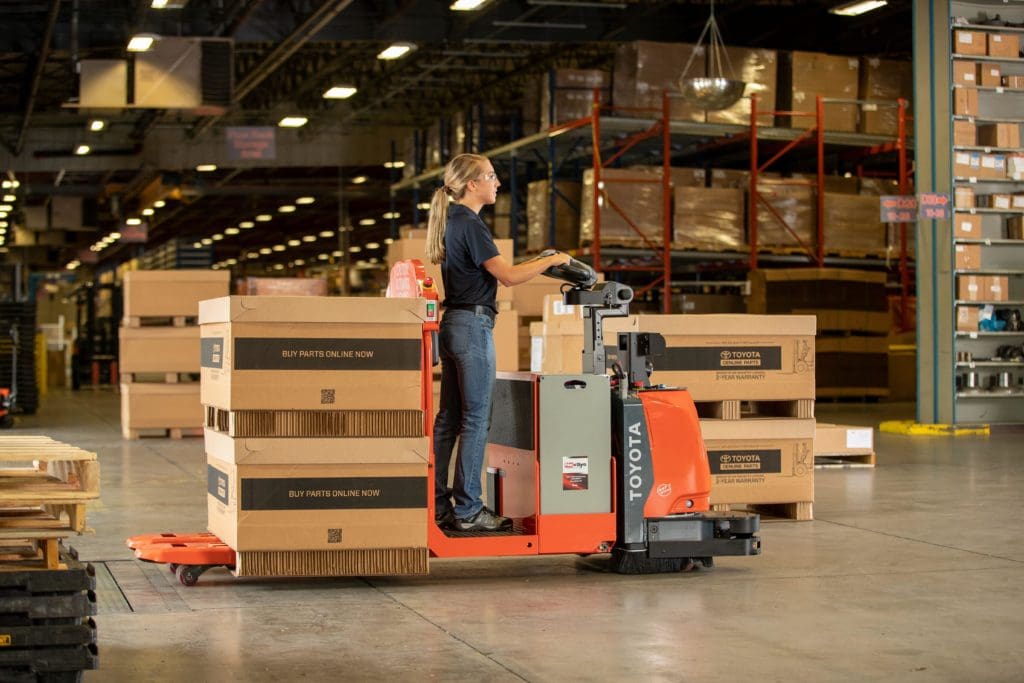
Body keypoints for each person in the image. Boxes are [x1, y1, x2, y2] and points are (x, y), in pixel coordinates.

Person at [426, 153, 570, 532]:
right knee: (476, 419)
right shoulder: (470, 224)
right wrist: (550, 261)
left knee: (450, 420)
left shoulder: (454, 221)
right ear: (471, 184)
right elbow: (506, 276)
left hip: (454, 324)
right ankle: (469, 510)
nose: (497, 183)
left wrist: (536, 260)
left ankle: (439, 505)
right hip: (472, 327)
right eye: (490, 176)